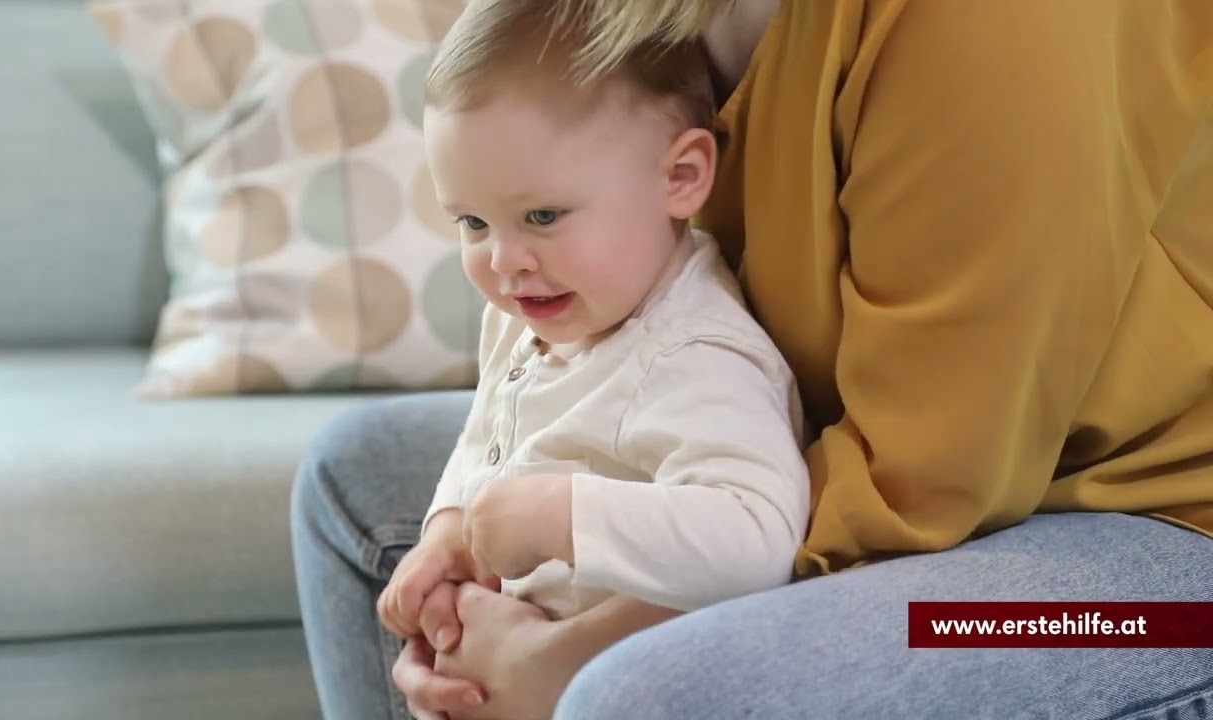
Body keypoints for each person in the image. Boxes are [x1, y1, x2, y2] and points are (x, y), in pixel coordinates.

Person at [291, 0, 1213, 718]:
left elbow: (929, 479)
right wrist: (464, 533)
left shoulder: (1003, 27)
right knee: (359, 479)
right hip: (823, 444)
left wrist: (577, 648)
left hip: (1158, 557)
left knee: (647, 694)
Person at [376, 0, 809, 654]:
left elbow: (757, 540)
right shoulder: (534, 308)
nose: (504, 262)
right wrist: (450, 530)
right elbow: (484, 436)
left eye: (543, 216)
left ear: (682, 177)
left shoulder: (694, 354)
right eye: (472, 223)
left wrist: (559, 517)